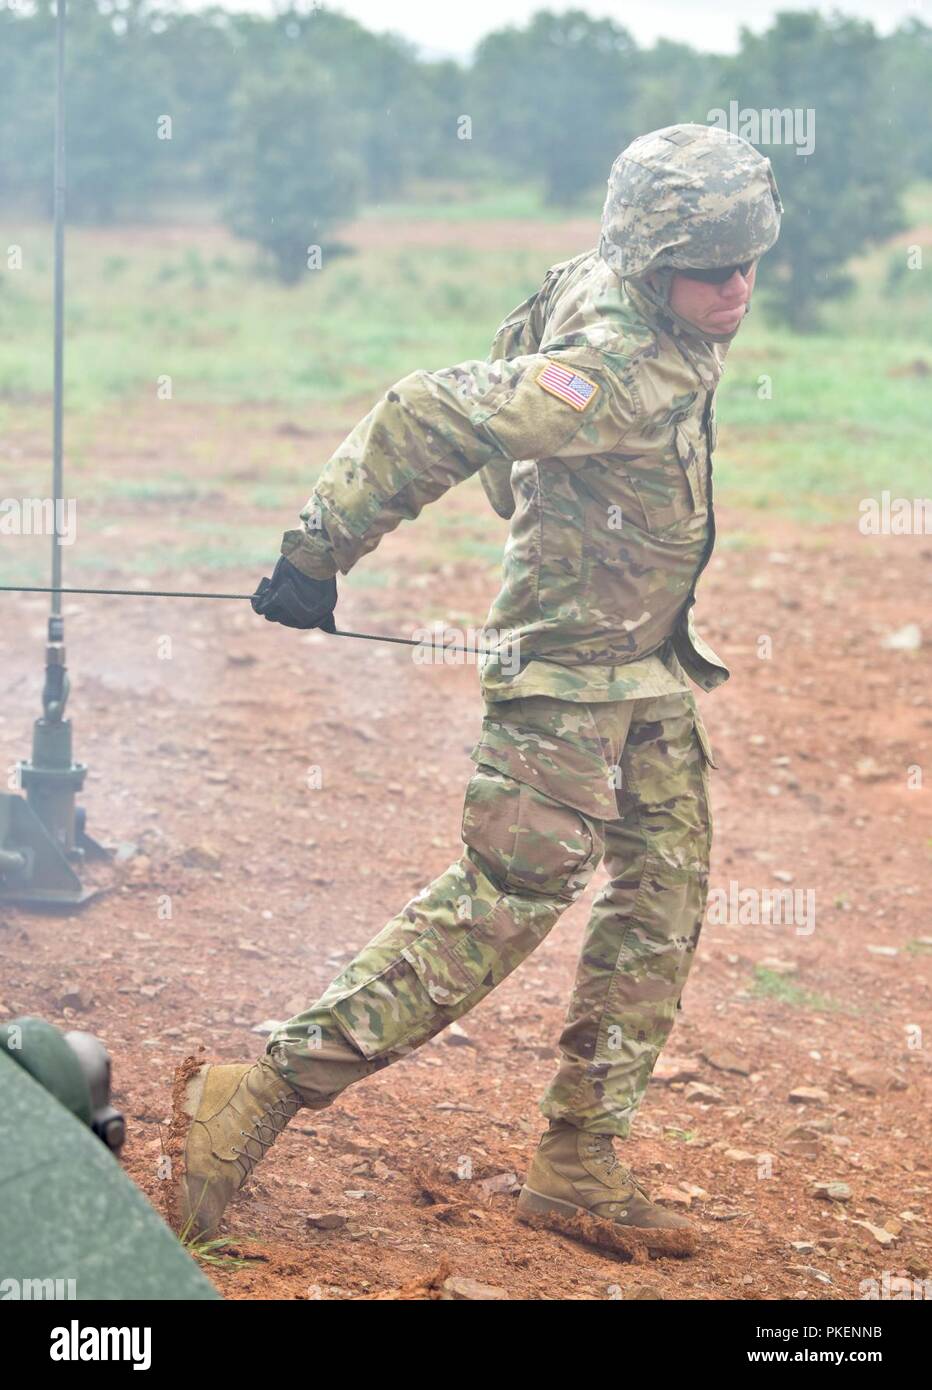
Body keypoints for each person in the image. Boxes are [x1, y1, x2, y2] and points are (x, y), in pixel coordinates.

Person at [167, 123, 782, 1249]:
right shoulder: (611, 370)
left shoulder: (640, 285)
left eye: (749, 261)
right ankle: (258, 1093)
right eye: (711, 269)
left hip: (642, 667)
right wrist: (318, 551)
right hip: (561, 678)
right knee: (503, 902)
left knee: (661, 896)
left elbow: (539, 323)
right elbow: (432, 408)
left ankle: (576, 1162)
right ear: (651, 263)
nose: (736, 288)